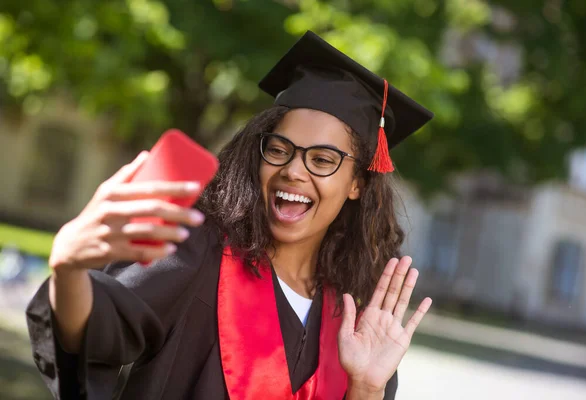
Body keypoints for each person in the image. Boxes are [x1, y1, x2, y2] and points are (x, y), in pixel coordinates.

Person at [26, 31, 434, 400]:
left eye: (323, 159)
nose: (294, 169)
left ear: (357, 183)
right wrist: (69, 272)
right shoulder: (195, 252)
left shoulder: (353, 312)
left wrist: (365, 389)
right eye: (279, 149)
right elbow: (94, 335)